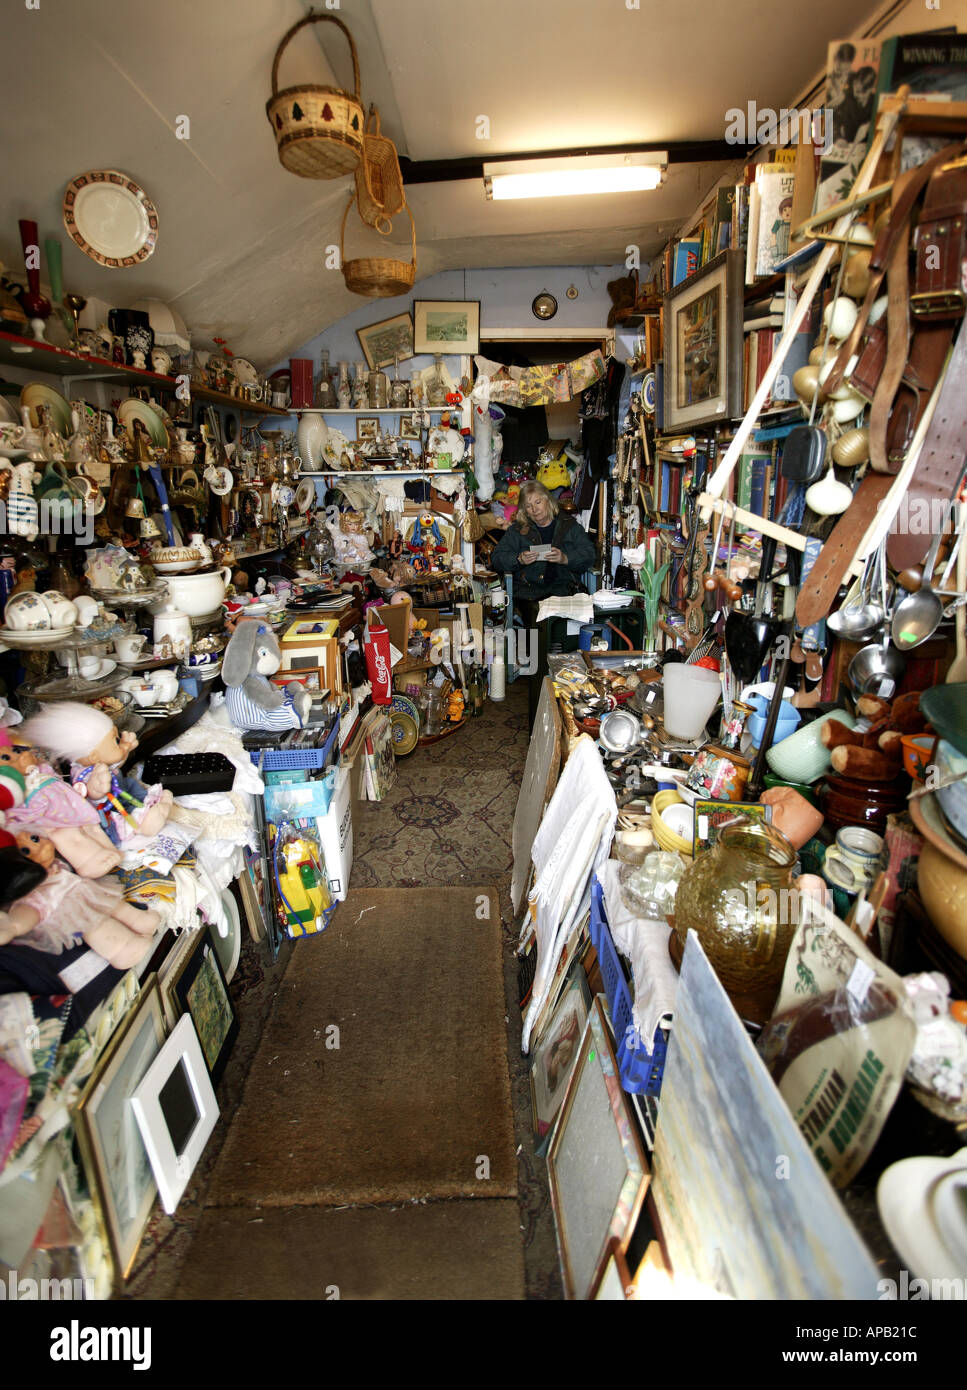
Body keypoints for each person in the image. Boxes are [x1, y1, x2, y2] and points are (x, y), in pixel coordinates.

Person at [491, 479, 596, 601]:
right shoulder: (517, 530)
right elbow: (497, 557)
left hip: (565, 591)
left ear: (548, 501)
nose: (534, 509)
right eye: (528, 506)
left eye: (538, 502)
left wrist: (566, 558)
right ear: (524, 510)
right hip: (530, 594)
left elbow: (590, 554)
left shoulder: (569, 525)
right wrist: (518, 559)